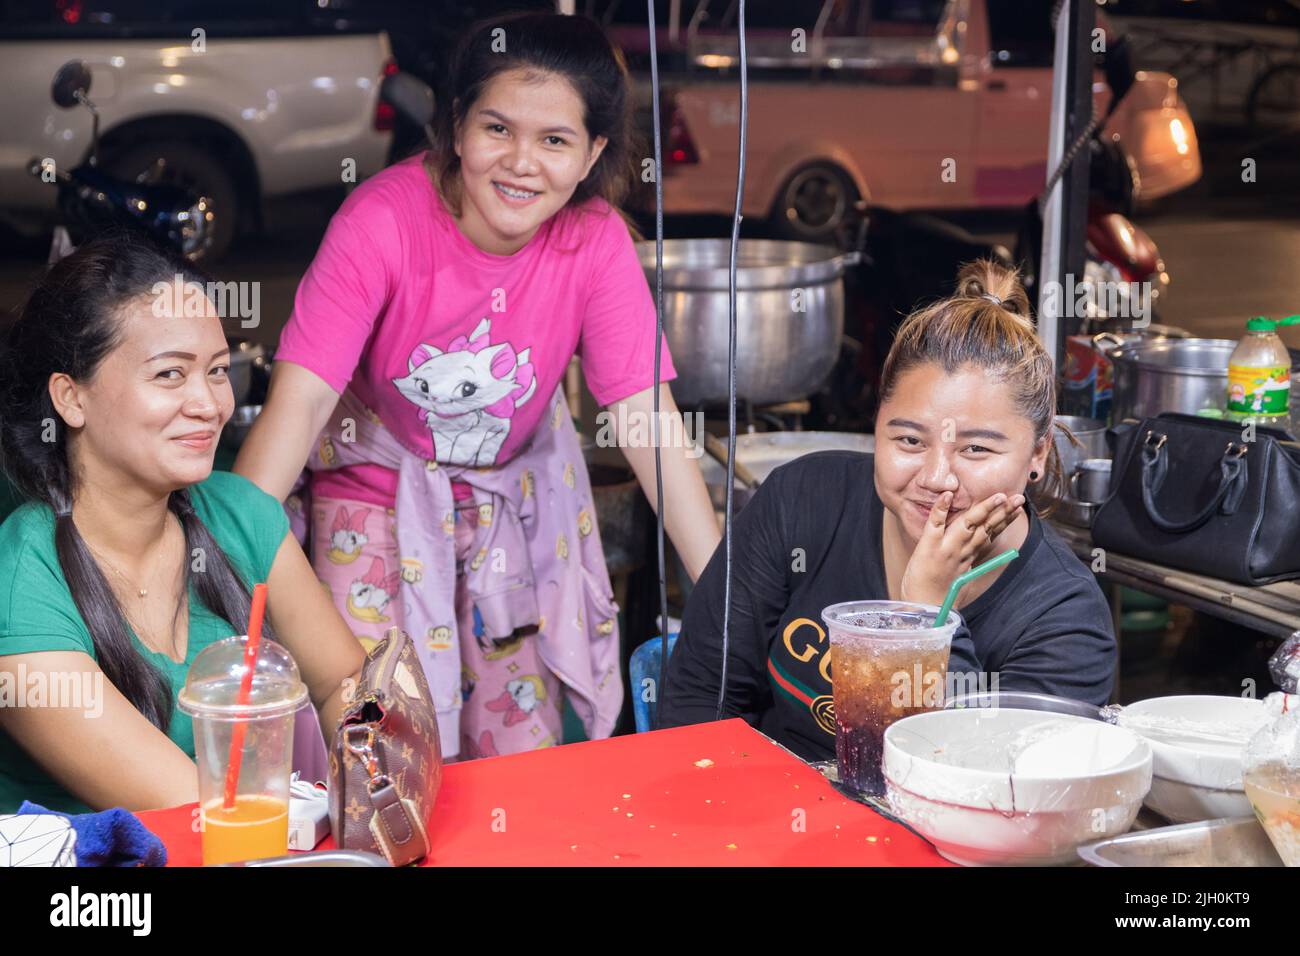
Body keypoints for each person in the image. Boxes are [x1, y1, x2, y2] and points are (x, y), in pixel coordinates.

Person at [233, 12, 719, 761]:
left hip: (508, 516)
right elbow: (297, 409)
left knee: (516, 755)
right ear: (456, 127)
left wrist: (727, 600)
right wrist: (223, 572)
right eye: (498, 128)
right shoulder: (380, 223)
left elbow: (647, 425)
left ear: (591, 153)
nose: (522, 162)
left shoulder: (594, 243)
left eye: (554, 140)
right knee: (377, 752)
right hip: (372, 508)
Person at [659, 260, 1117, 761]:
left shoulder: (1064, 619)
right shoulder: (803, 500)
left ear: (1037, 454)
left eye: (976, 450)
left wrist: (929, 613)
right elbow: (699, 699)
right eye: (908, 439)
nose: (936, 478)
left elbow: (992, 794)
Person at [0, 235, 366, 814]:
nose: (209, 403)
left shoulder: (241, 515)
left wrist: (367, 767)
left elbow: (346, 687)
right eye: (170, 374)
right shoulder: (20, 580)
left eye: (217, 371)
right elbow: (194, 812)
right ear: (71, 398)